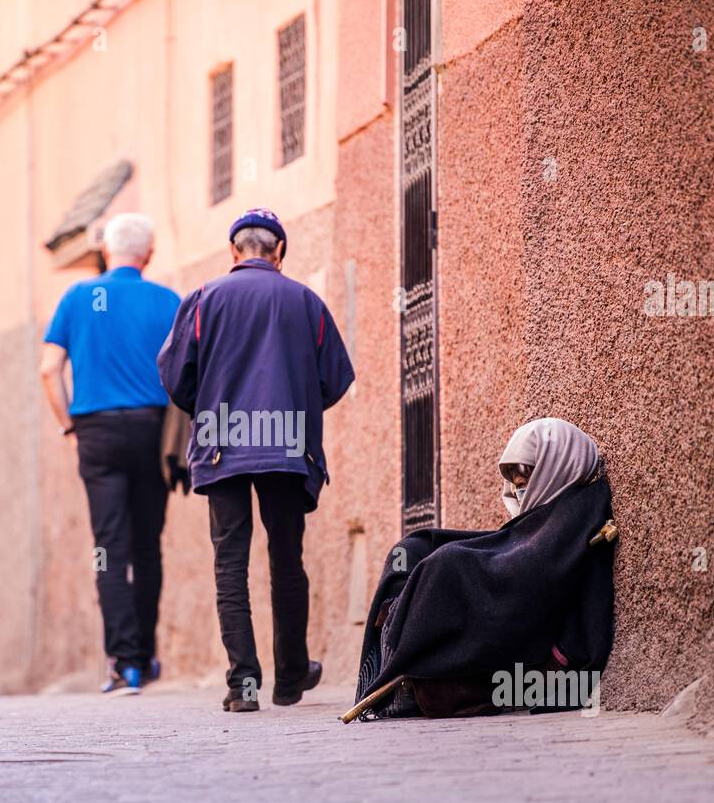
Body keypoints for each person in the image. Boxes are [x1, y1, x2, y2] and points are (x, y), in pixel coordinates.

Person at [158, 208, 355, 713]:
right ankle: (290, 677)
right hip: (287, 442)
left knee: (230, 563)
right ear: (279, 252)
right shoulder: (305, 301)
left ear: (234, 252)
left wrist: (211, 406)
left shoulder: (203, 299)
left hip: (222, 439)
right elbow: (335, 377)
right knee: (287, 558)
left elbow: (176, 377)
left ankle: (242, 683)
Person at [351, 418, 615, 720]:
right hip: (507, 575)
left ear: (555, 465)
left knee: (447, 565)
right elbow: (516, 542)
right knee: (412, 549)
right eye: (515, 479)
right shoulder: (550, 509)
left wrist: (461, 564)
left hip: (524, 625)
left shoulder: (579, 509)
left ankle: (411, 668)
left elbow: (534, 568)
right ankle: (397, 658)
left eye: (526, 476)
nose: (519, 487)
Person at [40, 213, 181, 696]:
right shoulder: (168, 301)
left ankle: (123, 665)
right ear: (149, 254)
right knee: (147, 546)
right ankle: (144, 655)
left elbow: (48, 368)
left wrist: (68, 425)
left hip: (95, 431)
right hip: (153, 429)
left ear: (105, 252)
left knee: (108, 548)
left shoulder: (78, 298)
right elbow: (187, 374)